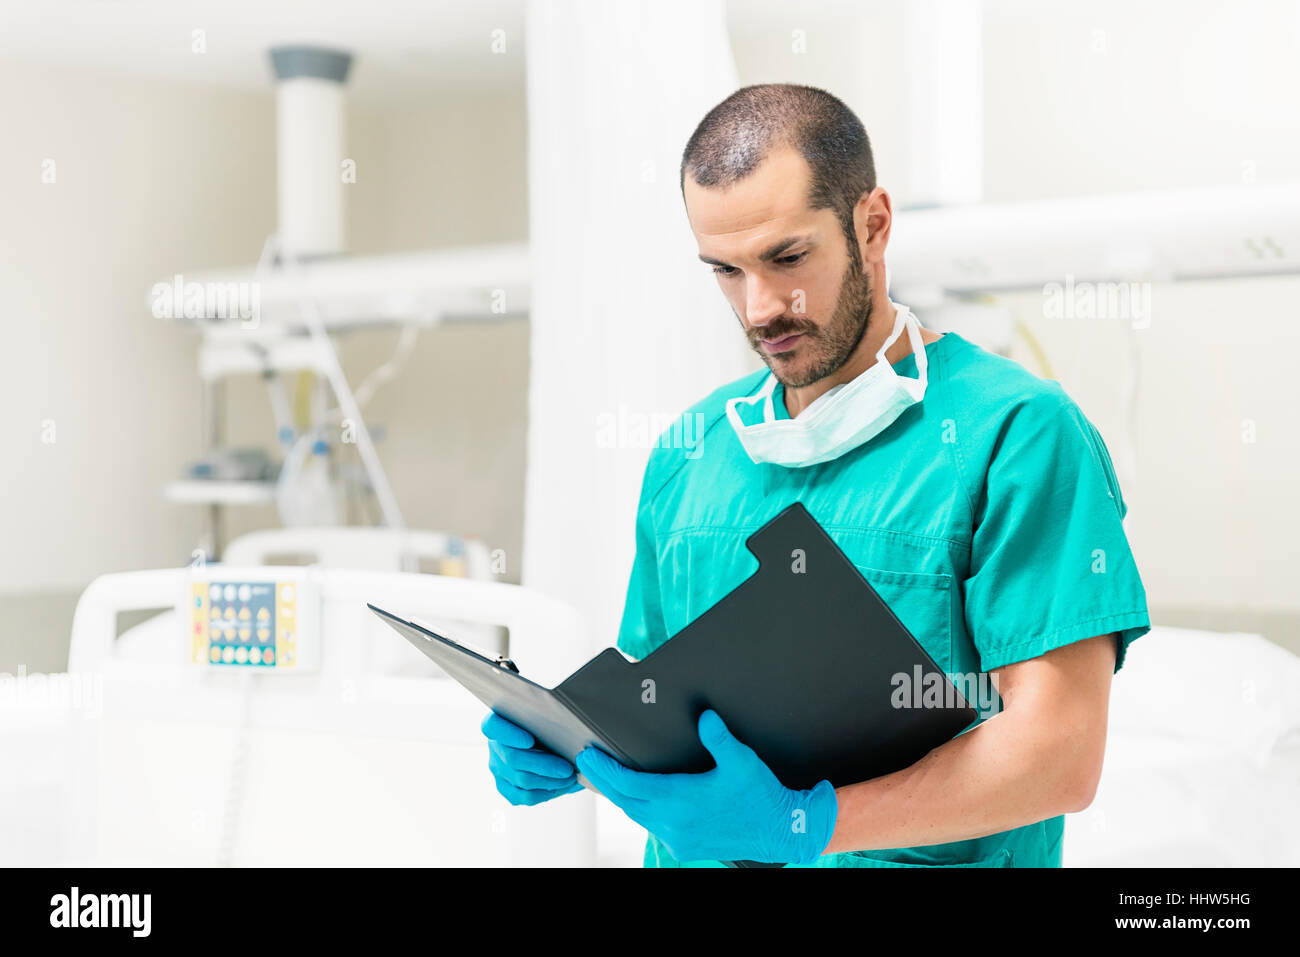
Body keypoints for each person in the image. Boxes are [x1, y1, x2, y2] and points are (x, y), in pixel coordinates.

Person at [483, 83, 1150, 868]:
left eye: (787, 257)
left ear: (872, 225)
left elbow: (1059, 752)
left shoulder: (1018, 433)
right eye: (725, 270)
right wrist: (580, 745)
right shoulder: (691, 451)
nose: (760, 306)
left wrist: (806, 822)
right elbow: (667, 706)